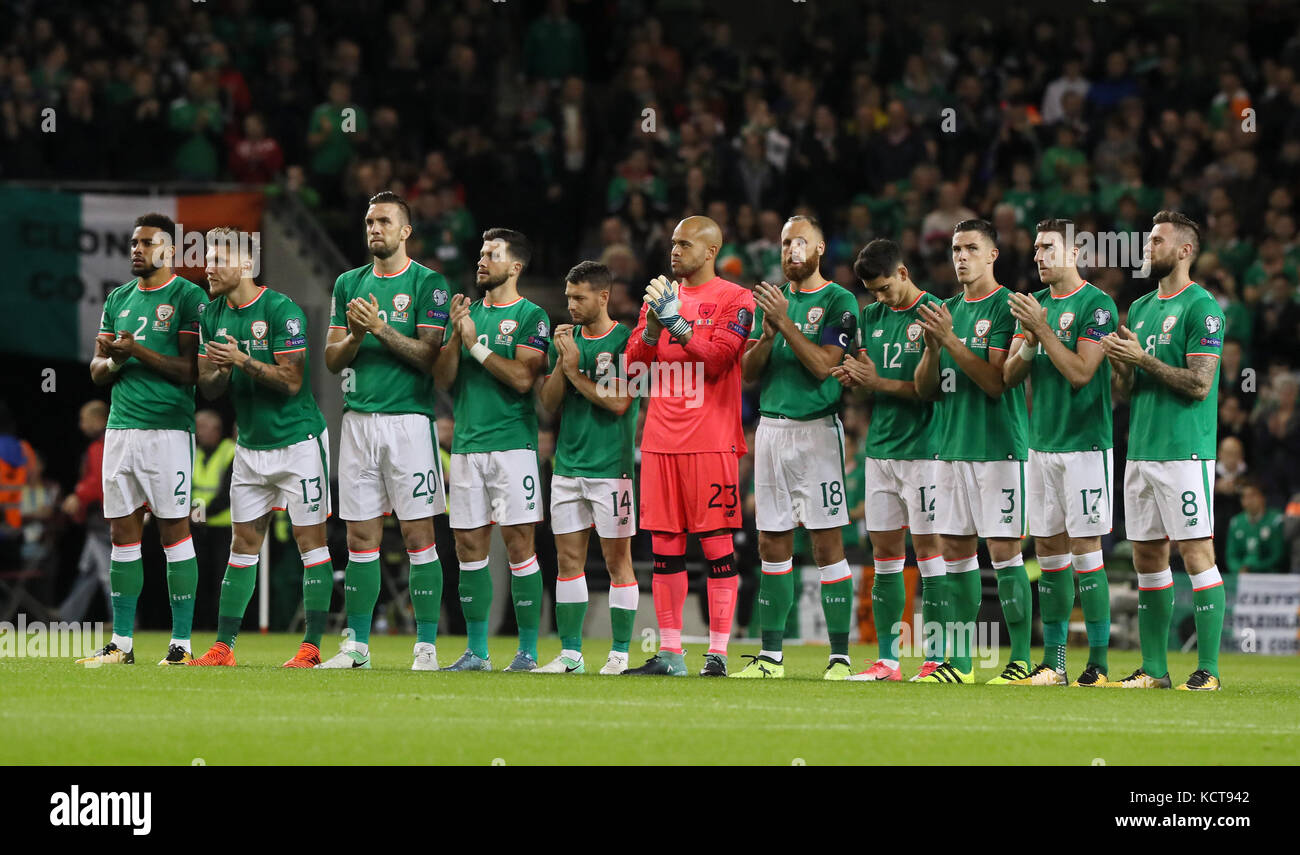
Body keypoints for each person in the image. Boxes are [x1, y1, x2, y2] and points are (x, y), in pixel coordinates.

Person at [188, 226, 335, 667]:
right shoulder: (210, 314)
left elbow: (292, 381)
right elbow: (209, 387)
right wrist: (221, 370)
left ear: (246, 265)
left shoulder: (281, 309)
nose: (208, 268)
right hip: (250, 448)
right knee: (242, 545)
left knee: (312, 544)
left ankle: (310, 647)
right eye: (207, 259)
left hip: (299, 443)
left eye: (217, 260)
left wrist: (242, 361)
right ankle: (224, 647)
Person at [323, 191, 453, 670]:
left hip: (409, 424)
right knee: (360, 539)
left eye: (384, 221)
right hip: (357, 423)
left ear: (405, 232)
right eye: (369, 221)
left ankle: (425, 646)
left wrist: (378, 328)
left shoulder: (428, 283)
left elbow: (429, 356)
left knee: (419, 536)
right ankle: (356, 645)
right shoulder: (347, 283)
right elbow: (332, 361)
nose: (373, 228)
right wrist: (355, 335)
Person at [621, 216, 756, 677]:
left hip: (711, 441)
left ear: (710, 250)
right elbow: (633, 366)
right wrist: (656, 326)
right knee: (664, 548)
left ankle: (717, 653)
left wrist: (675, 320)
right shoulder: (659, 299)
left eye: (684, 243)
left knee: (717, 545)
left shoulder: (735, 299)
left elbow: (718, 360)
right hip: (659, 442)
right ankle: (672, 654)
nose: (673, 250)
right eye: (671, 242)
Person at [1100, 210, 1226, 690]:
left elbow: (1198, 383)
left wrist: (1143, 359)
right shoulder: (1142, 308)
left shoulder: (1202, 308)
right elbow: (1129, 387)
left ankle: (1208, 670)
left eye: (1156, 241)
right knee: (1147, 558)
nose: (1147, 248)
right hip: (1141, 452)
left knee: (1196, 552)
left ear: (1185, 250)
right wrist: (1122, 364)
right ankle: (1155, 670)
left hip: (1184, 452)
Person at [77, 213, 207, 667]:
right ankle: (123, 643)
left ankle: (182, 644)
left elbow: (191, 372)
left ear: (169, 250)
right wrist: (114, 361)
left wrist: (137, 352)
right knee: (122, 534)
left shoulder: (189, 296)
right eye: (134, 243)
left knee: (175, 530)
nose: (137, 249)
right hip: (120, 429)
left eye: (147, 243)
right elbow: (95, 371)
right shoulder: (118, 298)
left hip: (168, 430)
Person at [733, 215, 858, 679]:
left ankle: (841, 656)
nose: (791, 251)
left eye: (800, 242)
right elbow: (748, 371)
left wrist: (783, 323)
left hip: (816, 432)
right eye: (786, 244)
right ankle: (770, 656)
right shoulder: (768, 301)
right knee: (771, 541)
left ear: (821, 248)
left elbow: (826, 365)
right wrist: (766, 334)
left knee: (827, 543)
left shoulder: (838, 300)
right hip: (770, 430)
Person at [914, 219, 1031, 684]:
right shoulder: (944, 310)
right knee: (955, 554)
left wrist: (951, 342)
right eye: (955, 249)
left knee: (1005, 554)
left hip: (998, 449)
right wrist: (930, 350)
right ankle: (959, 663)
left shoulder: (1007, 307)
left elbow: (996, 382)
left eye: (970, 248)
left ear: (992, 255)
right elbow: (926, 391)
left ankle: (1020, 660)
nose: (960, 256)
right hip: (949, 449)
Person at [1003, 219, 1119, 686]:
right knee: (1049, 552)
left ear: (1074, 253)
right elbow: (1010, 377)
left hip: (1086, 448)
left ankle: (1099, 664)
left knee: (1087, 551)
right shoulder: (1037, 307)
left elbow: (1081, 373)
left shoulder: (1098, 305)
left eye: (1048, 248)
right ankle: (1054, 663)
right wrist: (1029, 341)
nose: (1037, 256)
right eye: (1035, 249)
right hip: (1041, 447)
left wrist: (1041, 330)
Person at [434, 228, 551, 672]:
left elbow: (524, 379)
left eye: (492, 255)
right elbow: (444, 379)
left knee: (520, 545)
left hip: (511, 447)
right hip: (466, 446)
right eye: (480, 253)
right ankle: (477, 651)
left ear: (515, 266)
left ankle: (526, 652)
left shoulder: (531, 315)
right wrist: (452, 334)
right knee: (468, 547)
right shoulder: (466, 313)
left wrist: (474, 345)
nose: (481, 261)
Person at [832, 239, 947, 682]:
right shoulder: (870, 317)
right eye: (871, 291)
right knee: (884, 556)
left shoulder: (934, 312)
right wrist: (856, 379)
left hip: (925, 451)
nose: (879, 297)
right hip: (881, 452)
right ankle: (888, 660)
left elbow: (928, 391)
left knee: (931, 553)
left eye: (883, 288)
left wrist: (875, 381)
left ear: (902, 273)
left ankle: (936, 658)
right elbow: (865, 386)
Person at [537, 261, 641, 674]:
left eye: (579, 297)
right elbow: (548, 402)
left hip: (611, 470)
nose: (571, 305)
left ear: (603, 296)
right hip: (566, 468)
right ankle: (571, 655)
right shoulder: (564, 341)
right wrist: (564, 364)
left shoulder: (628, 342)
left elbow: (619, 402)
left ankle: (618, 654)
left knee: (618, 562)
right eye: (567, 297)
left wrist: (575, 368)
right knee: (567, 562)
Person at [58, 401, 111, 621]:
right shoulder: (105, 442)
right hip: (103, 517)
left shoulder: (103, 444)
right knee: (89, 571)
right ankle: (67, 616)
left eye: (84, 419)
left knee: (108, 574)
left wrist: (78, 496)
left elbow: (99, 481)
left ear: (98, 419)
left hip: (105, 519)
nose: (81, 426)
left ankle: (125, 621)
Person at [190, 409, 235, 629]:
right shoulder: (194, 453)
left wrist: (200, 515)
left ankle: (221, 626)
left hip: (224, 528)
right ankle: (199, 625)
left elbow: (228, 492)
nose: (199, 433)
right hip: (198, 528)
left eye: (203, 428)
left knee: (222, 580)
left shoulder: (230, 452)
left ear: (217, 429)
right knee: (199, 579)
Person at [1226, 479, 1289, 574]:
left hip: (1270, 575)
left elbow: (1278, 555)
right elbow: (1231, 555)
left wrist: (1254, 568)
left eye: (1252, 496)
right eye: (1244, 497)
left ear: (1262, 497)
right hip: (1242, 576)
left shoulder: (1276, 520)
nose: (1248, 501)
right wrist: (1239, 569)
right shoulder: (1236, 522)